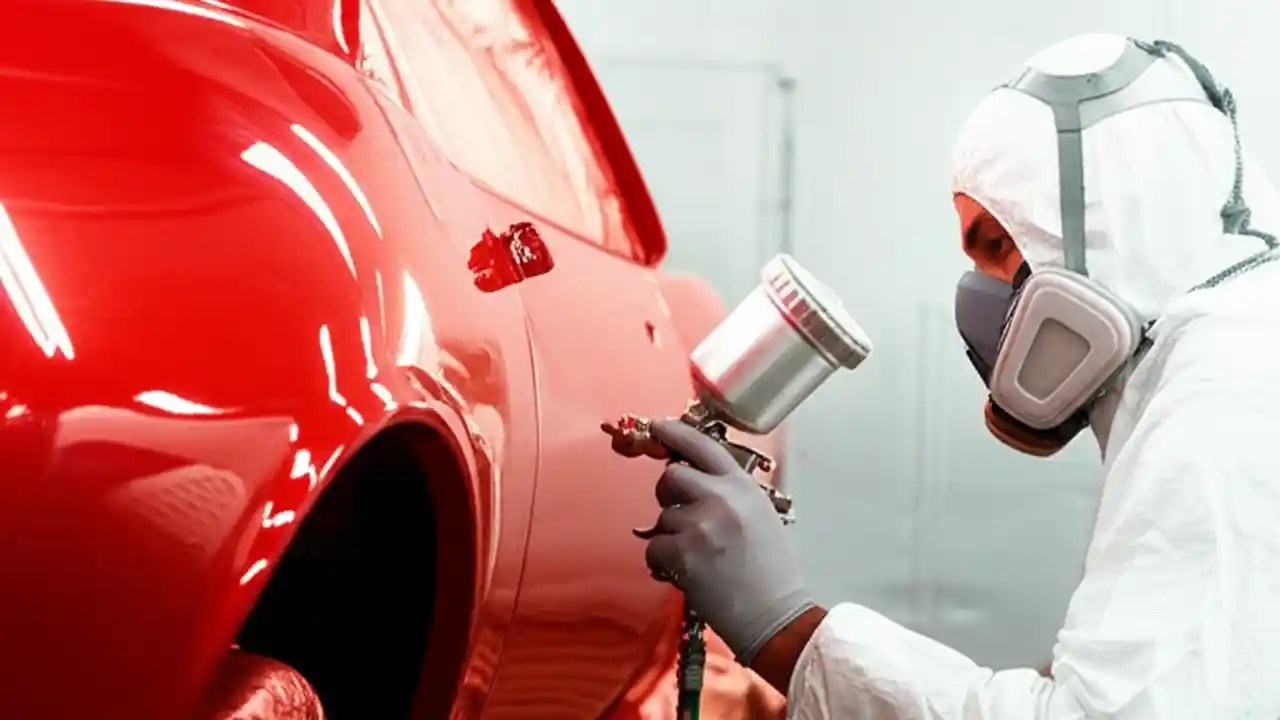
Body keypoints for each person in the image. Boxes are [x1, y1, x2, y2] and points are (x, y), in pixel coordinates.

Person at [619, 33, 1280, 718]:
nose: (988, 299)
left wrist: (785, 629)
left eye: (997, 246)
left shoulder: (1219, 405)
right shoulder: (1223, 359)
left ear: (1105, 228)